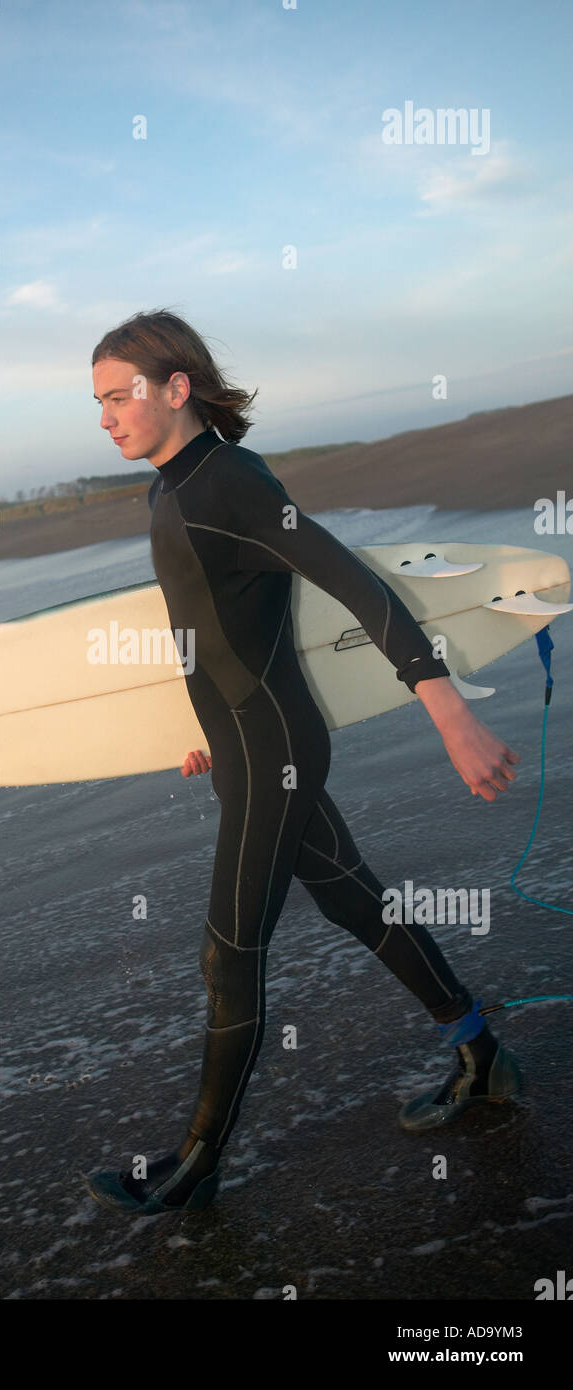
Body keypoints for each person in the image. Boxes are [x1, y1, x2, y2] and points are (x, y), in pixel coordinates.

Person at [86, 309, 522, 1217]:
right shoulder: (165, 487)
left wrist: (449, 716)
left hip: (275, 747)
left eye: (117, 396)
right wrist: (207, 717)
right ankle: (478, 1049)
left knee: (228, 951)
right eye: (96, 403)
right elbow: (214, 621)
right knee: (354, 899)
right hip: (245, 740)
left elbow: (357, 585)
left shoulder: (234, 482)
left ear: (176, 388)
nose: (105, 417)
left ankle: (196, 1163)